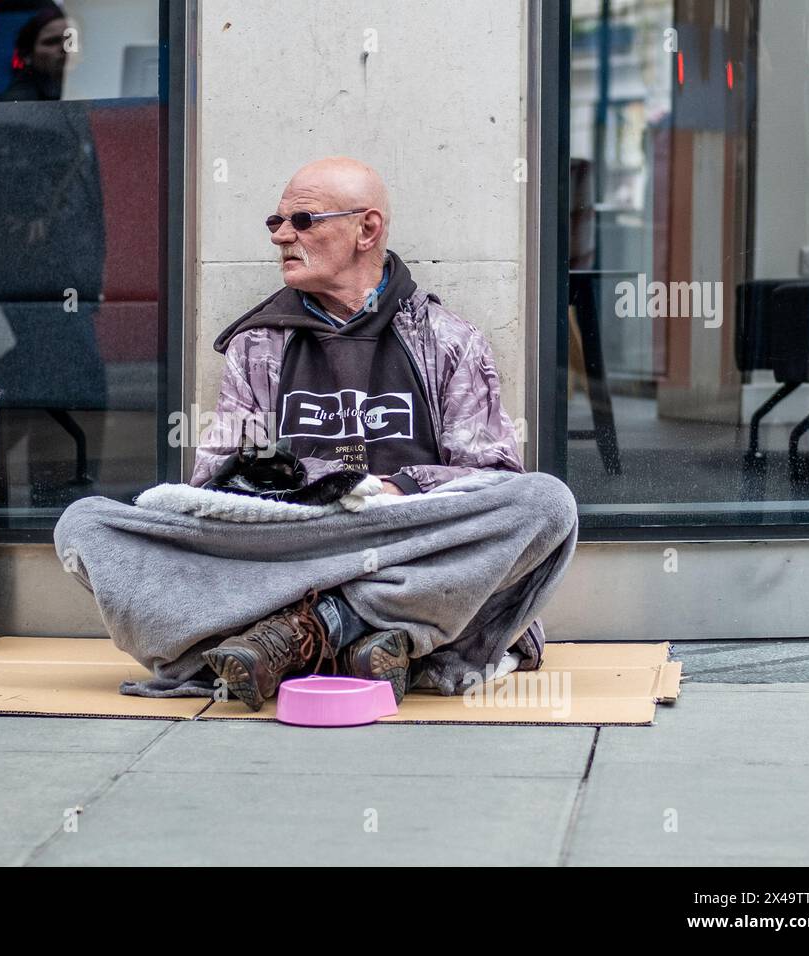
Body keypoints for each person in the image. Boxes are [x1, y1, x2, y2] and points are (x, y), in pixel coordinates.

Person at [54, 157, 579, 710]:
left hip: (401, 541)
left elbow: (492, 478)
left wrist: (390, 488)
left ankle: (304, 632)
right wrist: (294, 487)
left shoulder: (449, 341)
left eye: (302, 220)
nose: (283, 236)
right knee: (84, 526)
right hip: (287, 546)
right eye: (276, 222)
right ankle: (369, 635)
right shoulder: (256, 345)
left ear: (366, 229)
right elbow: (211, 487)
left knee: (545, 503)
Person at [0, 4, 68, 102]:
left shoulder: (84, 93)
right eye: (51, 42)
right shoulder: (17, 103)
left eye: (71, 41)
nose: (65, 48)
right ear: (27, 55)